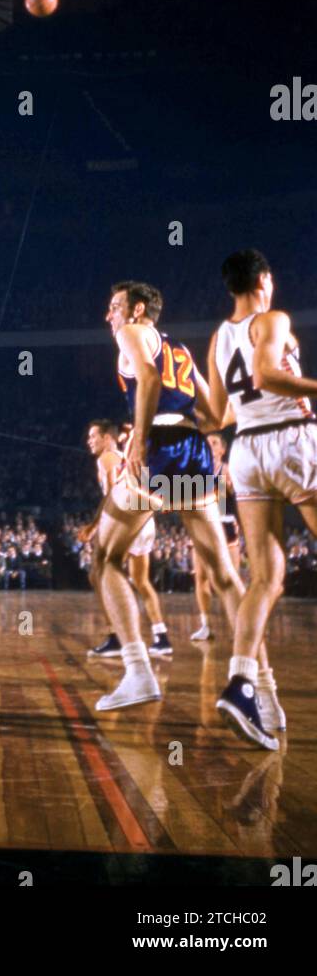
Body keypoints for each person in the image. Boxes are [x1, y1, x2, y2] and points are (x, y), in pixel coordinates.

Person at [92, 281, 279, 740]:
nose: (109, 315)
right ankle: (265, 693)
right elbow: (215, 416)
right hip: (193, 451)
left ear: (137, 309)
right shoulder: (180, 350)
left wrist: (139, 437)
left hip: (158, 447)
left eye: (114, 306)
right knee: (225, 575)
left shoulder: (132, 332)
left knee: (104, 558)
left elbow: (149, 380)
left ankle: (139, 671)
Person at [208, 249, 316, 746]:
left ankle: (241, 683)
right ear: (264, 280)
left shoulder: (218, 337)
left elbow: (217, 414)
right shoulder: (272, 319)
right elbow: (266, 376)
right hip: (291, 438)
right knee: (267, 577)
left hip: (247, 451)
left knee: (266, 578)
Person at [81, 419, 172, 660]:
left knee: (99, 574)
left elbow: (114, 494)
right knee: (141, 581)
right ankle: (161, 637)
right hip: (144, 519)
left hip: (125, 516)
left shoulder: (107, 458)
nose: (89, 441)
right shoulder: (124, 456)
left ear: (107, 438)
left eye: (93, 436)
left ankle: (116, 636)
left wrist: (94, 525)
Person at [191, 431, 241, 641]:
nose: (209, 446)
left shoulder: (228, 470)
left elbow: (238, 498)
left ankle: (239, 626)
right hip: (202, 526)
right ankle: (205, 625)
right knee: (201, 577)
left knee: (231, 579)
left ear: (222, 449)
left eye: (214, 443)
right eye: (207, 443)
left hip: (225, 525)